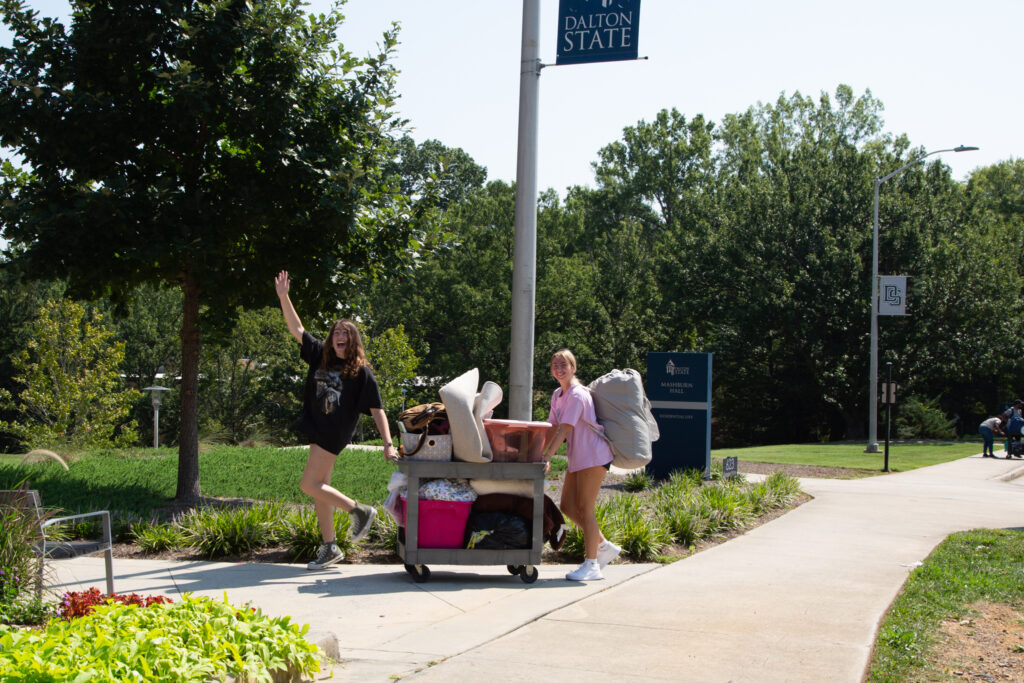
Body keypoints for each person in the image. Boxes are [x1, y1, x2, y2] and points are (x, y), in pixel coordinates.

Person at [275, 270, 399, 570]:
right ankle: (329, 546)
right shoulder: (320, 355)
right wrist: (283, 296)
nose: (339, 337)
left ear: (353, 340)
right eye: (336, 333)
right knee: (320, 489)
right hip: (317, 429)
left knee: (309, 484)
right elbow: (297, 328)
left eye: (346, 334)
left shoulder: (361, 372)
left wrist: (387, 443)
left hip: (334, 432)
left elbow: (377, 409)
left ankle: (359, 512)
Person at [542, 349, 621, 581]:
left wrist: (547, 457)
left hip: (594, 456)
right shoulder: (558, 394)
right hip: (578, 458)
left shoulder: (577, 395)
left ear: (573, 368)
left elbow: (565, 429)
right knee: (566, 506)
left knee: (585, 508)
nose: (559, 368)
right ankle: (604, 545)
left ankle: (592, 564)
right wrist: (535, 451)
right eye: (555, 365)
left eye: (564, 364)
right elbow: (551, 427)